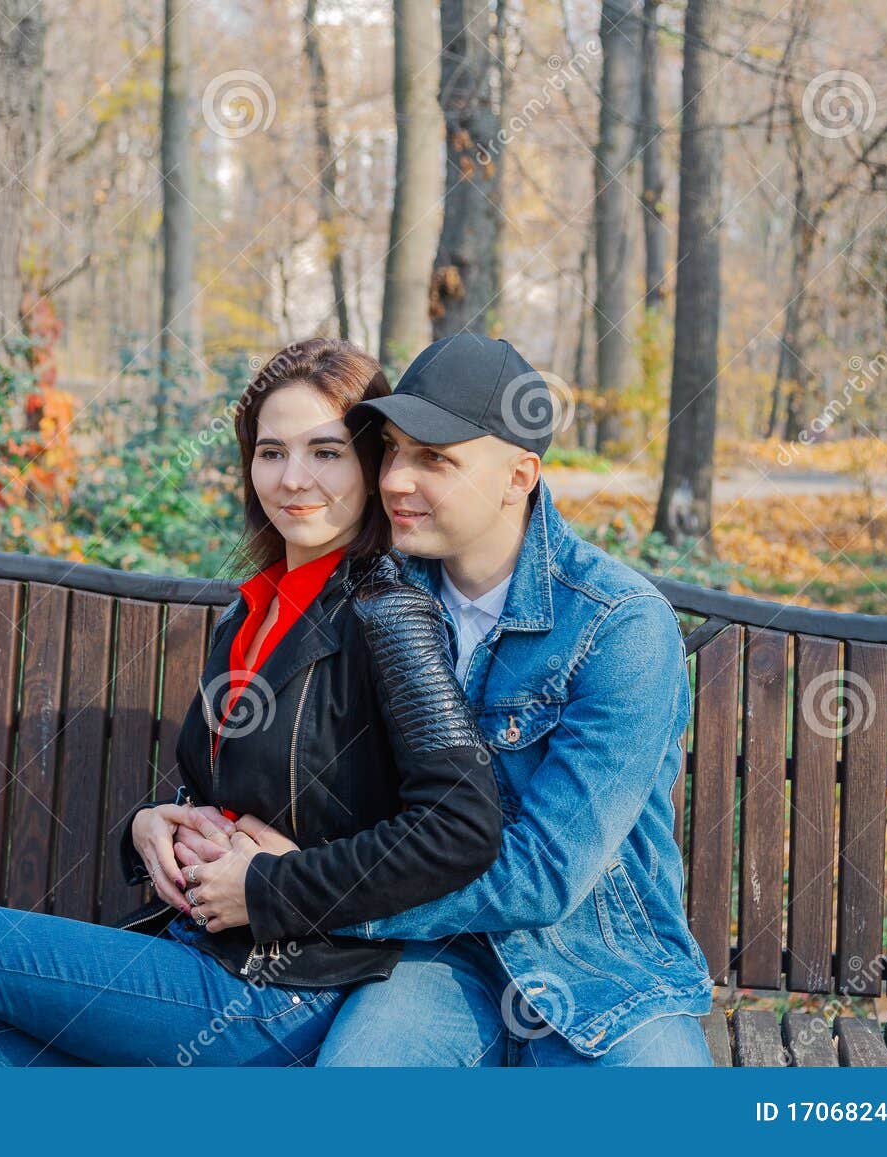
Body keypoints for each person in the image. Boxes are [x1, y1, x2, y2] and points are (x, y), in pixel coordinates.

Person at [0, 338, 501, 1067]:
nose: (293, 479)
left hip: (281, 988)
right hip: (195, 952)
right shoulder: (252, 612)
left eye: (326, 452)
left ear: (370, 464)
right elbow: (226, 785)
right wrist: (147, 826)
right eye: (270, 452)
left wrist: (274, 887)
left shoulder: (385, 613)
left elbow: (460, 824)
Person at [186, 334, 715, 1066]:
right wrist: (163, 820)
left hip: (596, 965)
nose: (397, 479)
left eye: (435, 458)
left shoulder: (617, 626)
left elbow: (544, 873)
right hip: (427, 960)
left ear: (518, 475)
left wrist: (302, 888)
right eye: (394, 449)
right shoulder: (377, 591)